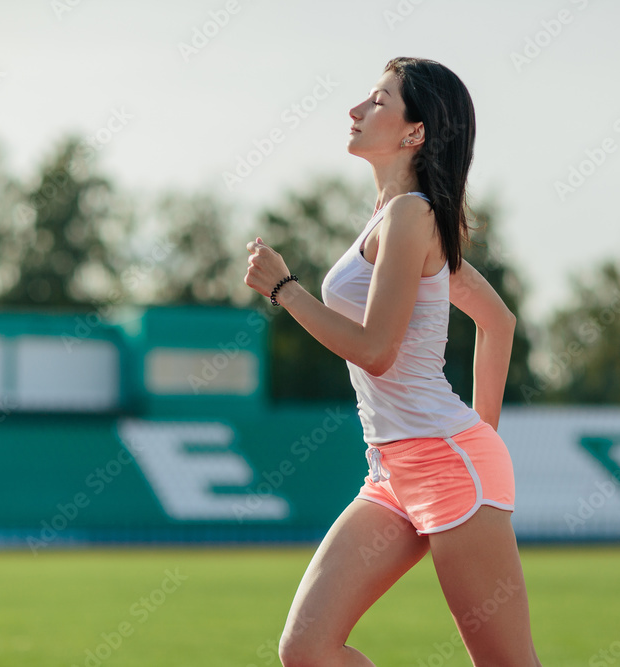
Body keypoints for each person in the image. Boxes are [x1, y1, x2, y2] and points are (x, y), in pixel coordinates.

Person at [245, 57, 542, 667]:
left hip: (447, 464)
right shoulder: (397, 218)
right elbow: (498, 322)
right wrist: (483, 436)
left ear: (416, 131)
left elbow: (376, 351)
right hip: (390, 472)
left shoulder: (412, 215)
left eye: (378, 101)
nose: (356, 110)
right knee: (306, 648)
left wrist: (285, 290)